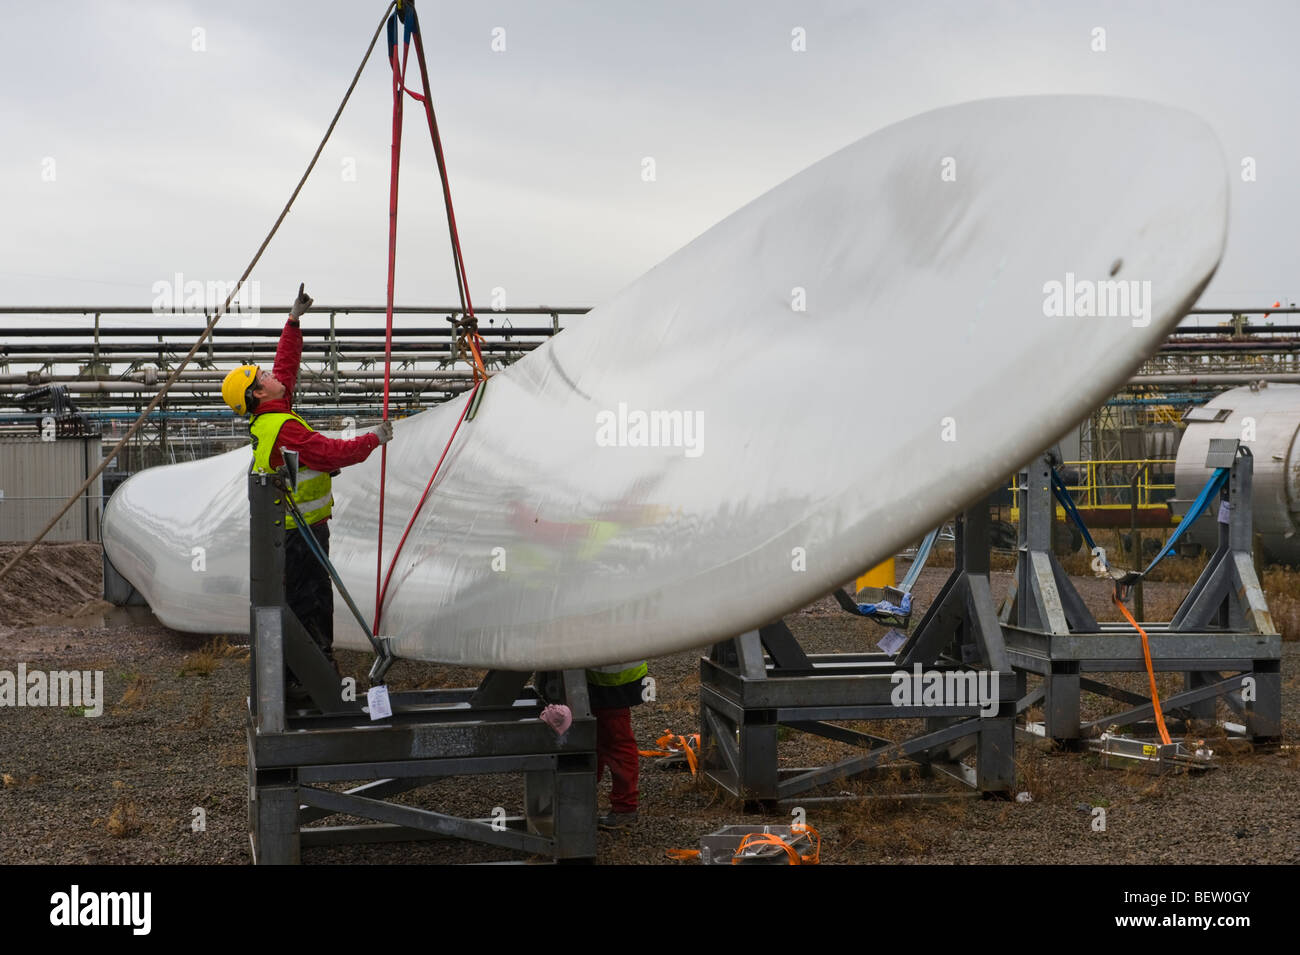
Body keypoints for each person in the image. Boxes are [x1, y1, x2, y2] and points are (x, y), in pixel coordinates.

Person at [221, 285, 392, 699]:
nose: (272, 375)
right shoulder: (286, 429)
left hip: (291, 531)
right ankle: (314, 682)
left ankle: (300, 678)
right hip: (301, 534)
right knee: (311, 604)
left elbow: (287, 366)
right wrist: (373, 440)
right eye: (263, 377)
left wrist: (293, 323)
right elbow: (330, 452)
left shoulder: (270, 417)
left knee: (299, 602)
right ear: (259, 394)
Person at [585, 659, 648, 829]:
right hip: (609, 672)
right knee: (595, 736)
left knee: (616, 740)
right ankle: (583, 800)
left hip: (611, 676)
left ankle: (625, 808)